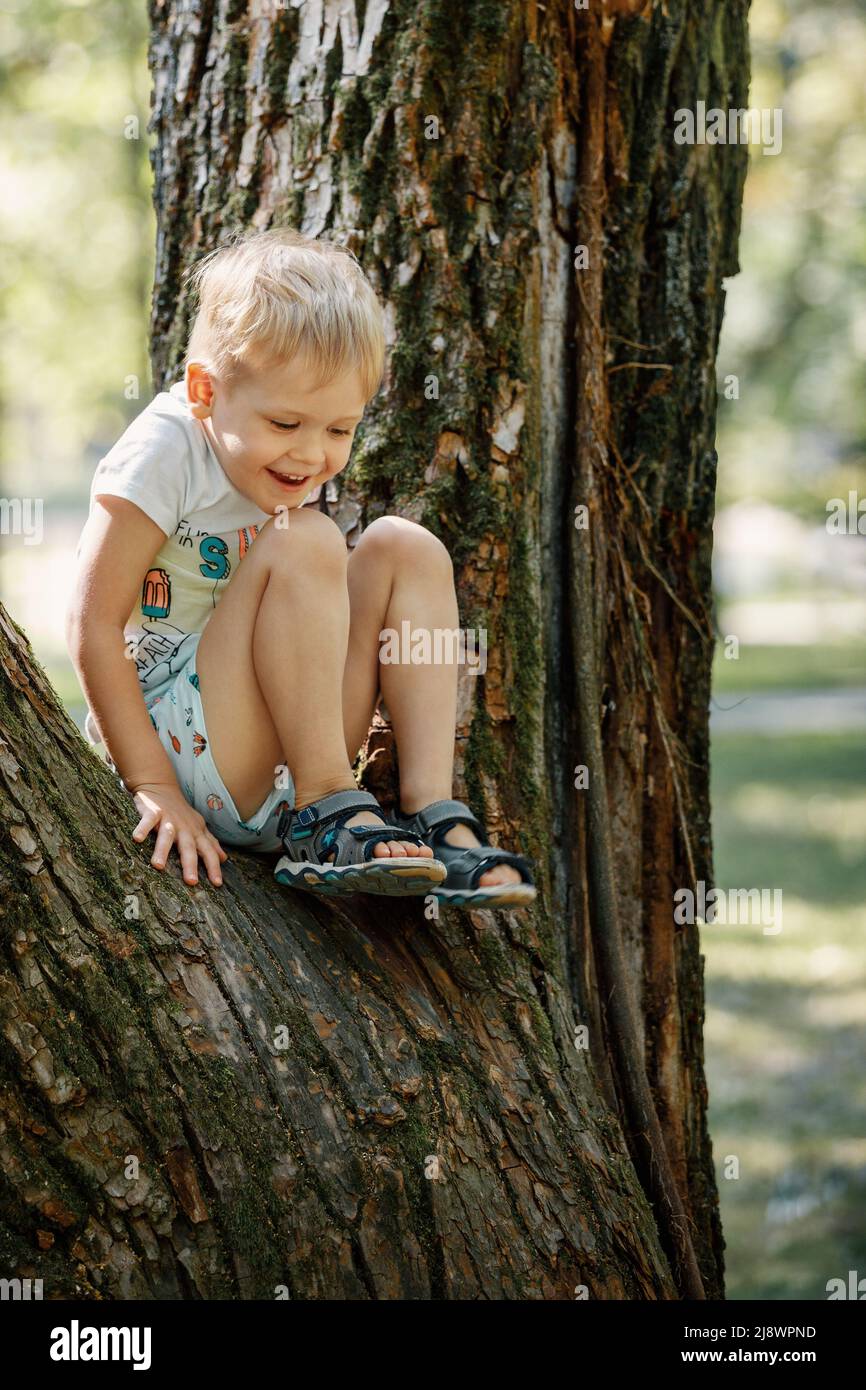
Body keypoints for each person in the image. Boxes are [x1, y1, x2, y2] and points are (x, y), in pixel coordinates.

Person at [66, 227, 535, 908]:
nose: (312, 456)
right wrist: (153, 786)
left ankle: (429, 811)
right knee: (309, 539)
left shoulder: (278, 465)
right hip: (179, 745)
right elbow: (90, 623)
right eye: (286, 425)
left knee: (405, 546)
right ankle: (328, 808)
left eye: (339, 430)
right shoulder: (163, 449)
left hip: (279, 755)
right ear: (205, 390)